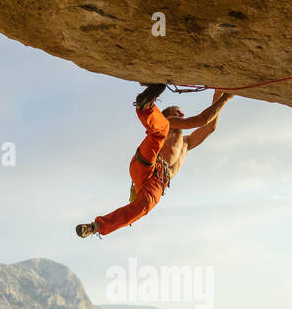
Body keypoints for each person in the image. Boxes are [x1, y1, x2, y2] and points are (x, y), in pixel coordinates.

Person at [76, 83, 233, 237]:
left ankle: (95, 227)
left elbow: (209, 127)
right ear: (166, 115)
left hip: (154, 180)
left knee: (143, 206)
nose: (182, 115)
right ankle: (146, 108)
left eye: (181, 113)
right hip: (148, 163)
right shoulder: (168, 124)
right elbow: (202, 119)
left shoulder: (186, 143)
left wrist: (218, 95)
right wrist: (225, 98)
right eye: (177, 112)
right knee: (160, 132)